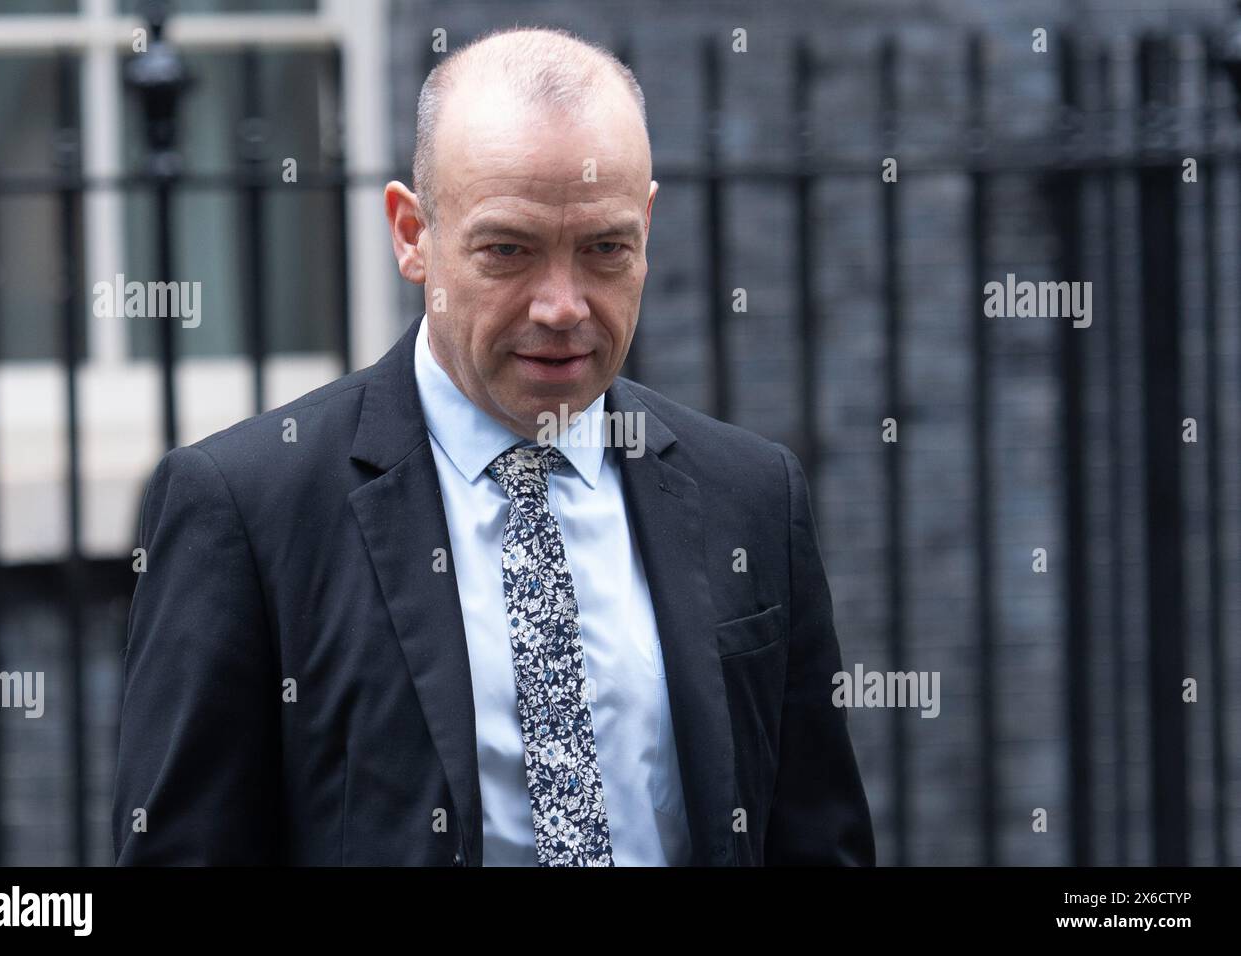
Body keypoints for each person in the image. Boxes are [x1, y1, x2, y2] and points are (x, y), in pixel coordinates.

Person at [113, 25, 874, 867]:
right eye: (508, 250)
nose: (562, 305)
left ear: (647, 229)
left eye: (604, 249)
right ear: (412, 234)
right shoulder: (244, 509)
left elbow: (817, 840)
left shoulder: (753, 493)